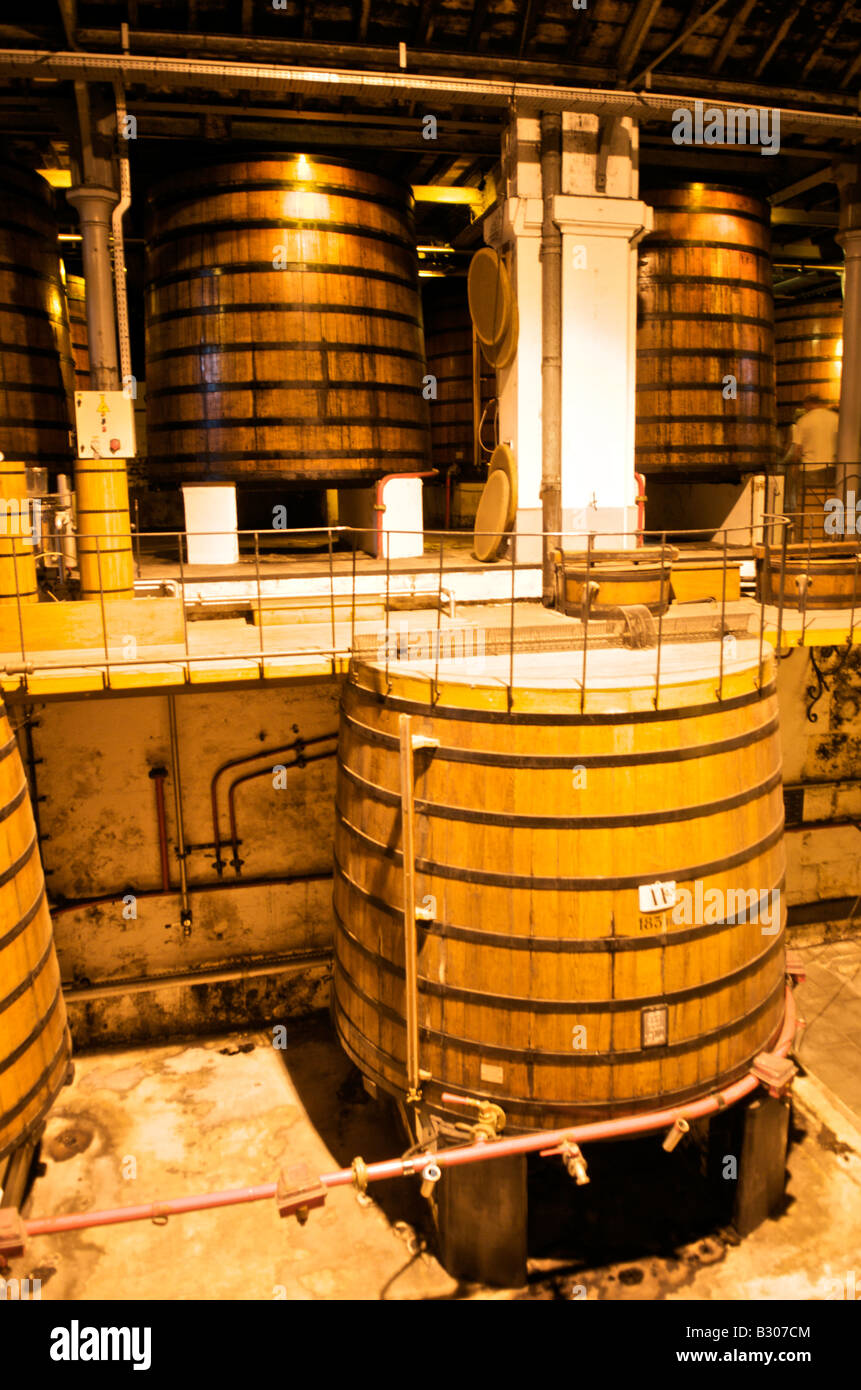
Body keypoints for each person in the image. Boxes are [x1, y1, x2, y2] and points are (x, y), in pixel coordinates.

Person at [780, 392, 838, 515]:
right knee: (829, 500)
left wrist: (794, 467)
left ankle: (807, 528)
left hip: (810, 468)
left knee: (809, 503)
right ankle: (827, 529)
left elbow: (797, 449)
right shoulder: (835, 418)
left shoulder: (804, 421)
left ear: (808, 404)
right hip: (833, 467)